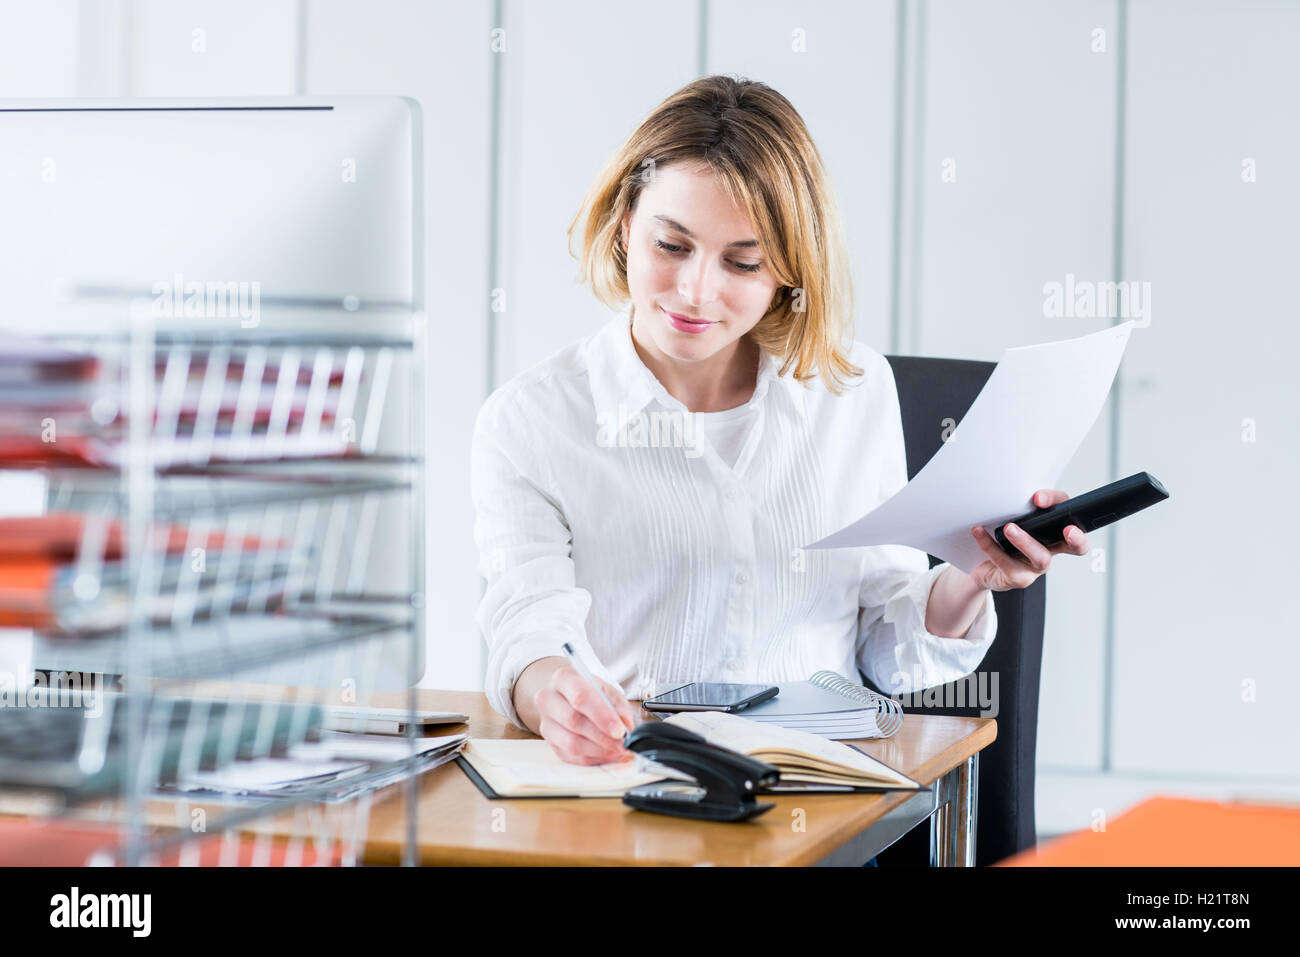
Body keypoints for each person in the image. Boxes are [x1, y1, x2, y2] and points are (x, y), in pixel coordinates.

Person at [471, 75, 1090, 766]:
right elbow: (527, 626)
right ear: (624, 225)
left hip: (812, 790)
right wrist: (554, 690)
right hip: (629, 786)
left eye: (742, 262)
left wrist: (973, 578)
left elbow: (887, 650)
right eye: (670, 246)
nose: (696, 290)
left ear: (788, 273)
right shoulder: (532, 420)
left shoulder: (849, 393)